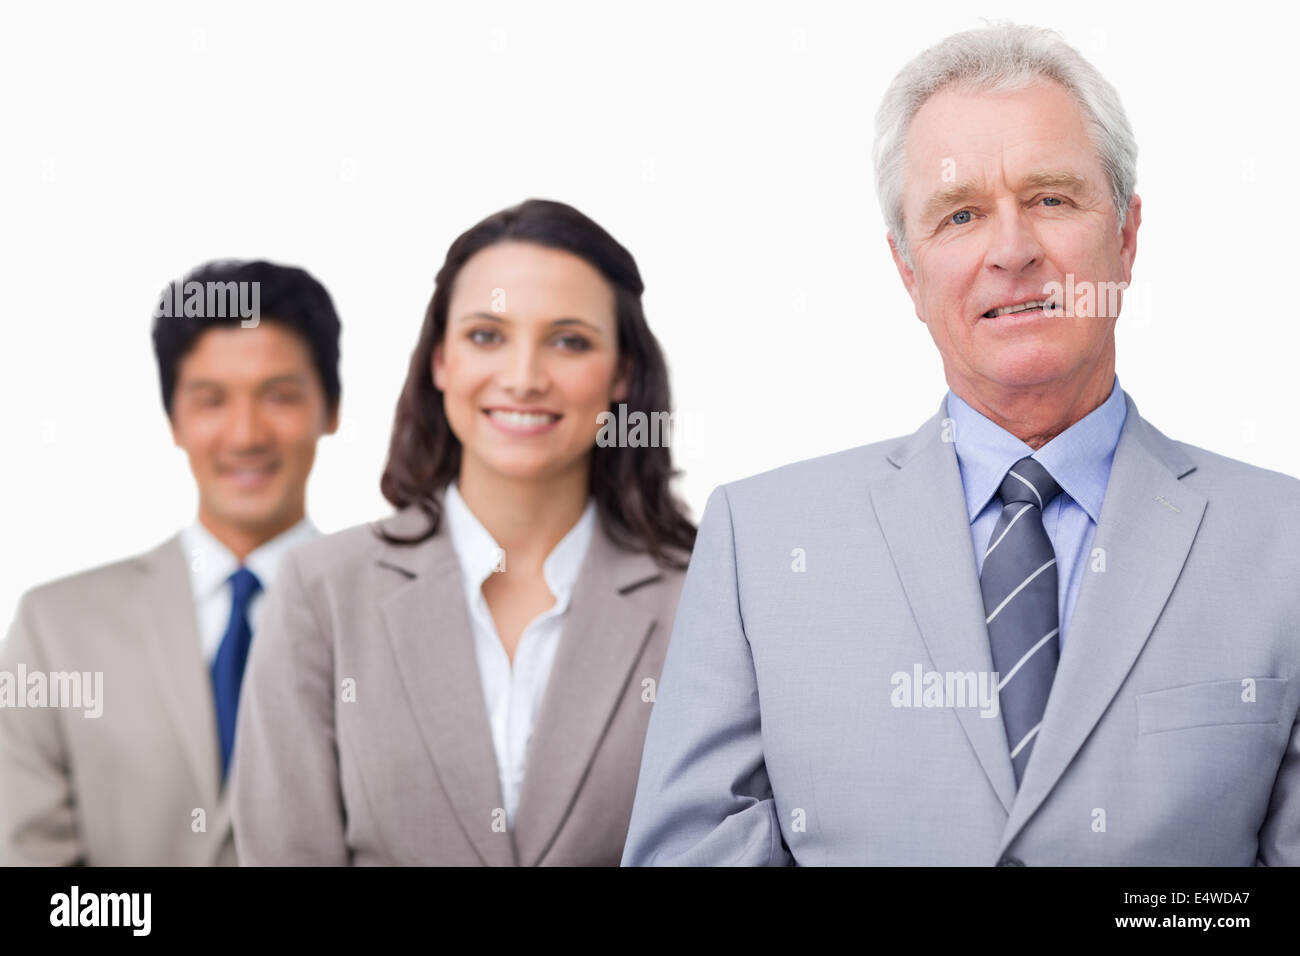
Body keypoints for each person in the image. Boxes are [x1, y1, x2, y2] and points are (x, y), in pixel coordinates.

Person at [622, 22, 1300, 866]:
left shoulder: (1283, 542)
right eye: (961, 214)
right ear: (908, 271)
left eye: (1051, 198)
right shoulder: (759, 544)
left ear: (1125, 239)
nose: (1011, 250)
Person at [232, 198, 695, 865]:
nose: (524, 377)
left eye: (569, 340)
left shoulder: (704, 595)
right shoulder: (322, 591)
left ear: (622, 374)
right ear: (440, 360)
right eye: (486, 335)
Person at [0, 259, 342, 865]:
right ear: (174, 419)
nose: (245, 434)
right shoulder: (55, 629)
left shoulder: (393, 619)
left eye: (280, 396)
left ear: (331, 409)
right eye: (211, 400)